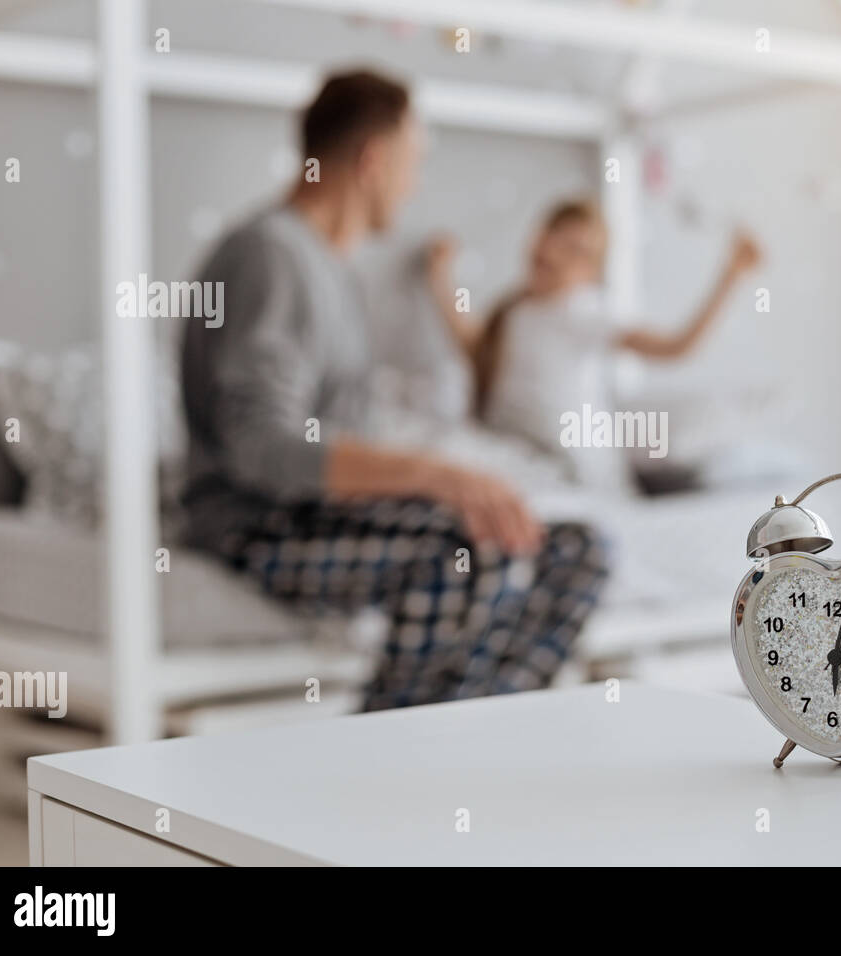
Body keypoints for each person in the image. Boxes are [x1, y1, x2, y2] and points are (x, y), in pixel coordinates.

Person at [181, 71, 608, 710]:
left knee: (577, 550)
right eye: (414, 165)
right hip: (262, 522)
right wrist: (435, 475)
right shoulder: (268, 255)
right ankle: (379, 759)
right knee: (464, 550)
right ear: (374, 162)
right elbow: (261, 446)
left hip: (328, 514)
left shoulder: (335, 267)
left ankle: (468, 740)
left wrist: (451, 474)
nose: (415, 186)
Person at [424, 199, 761, 488]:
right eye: (552, 236)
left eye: (575, 250)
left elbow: (677, 348)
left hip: (572, 466)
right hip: (518, 449)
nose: (555, 252)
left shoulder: (584, 310)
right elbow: (474, 349)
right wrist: (441, 278)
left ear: (591, 272)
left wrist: (730, 277)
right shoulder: (517, 309)